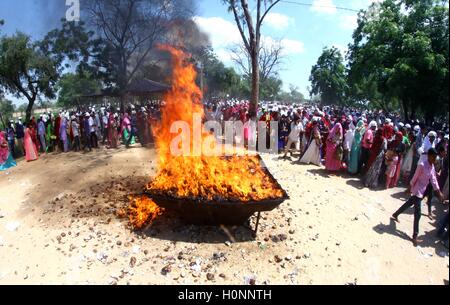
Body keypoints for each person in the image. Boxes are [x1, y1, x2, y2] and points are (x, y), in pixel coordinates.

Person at [391, 148, 445, 247]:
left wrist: (439, 192)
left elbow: (433, 180)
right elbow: (415, 177)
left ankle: (395, 214)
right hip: (416, 189)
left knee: (409, 203)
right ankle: (415, 236)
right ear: (429, 155)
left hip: (422, 190)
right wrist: (409, 187)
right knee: (418, 213)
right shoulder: (422, 165)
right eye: (433, 156)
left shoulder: (432, 166)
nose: (435, 159)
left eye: (435, 157)